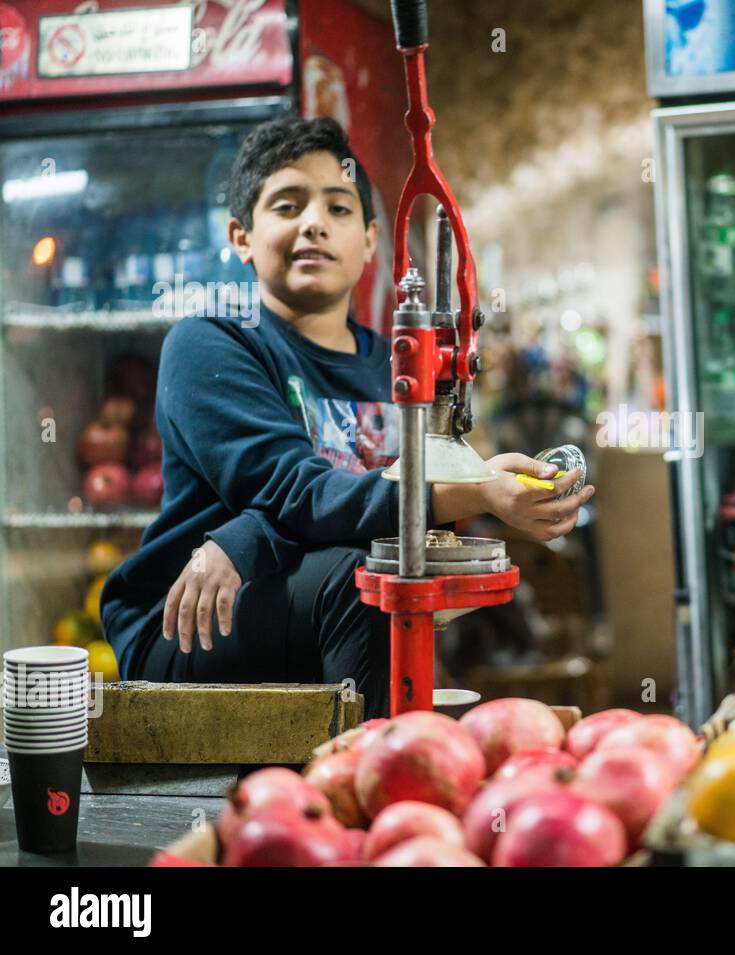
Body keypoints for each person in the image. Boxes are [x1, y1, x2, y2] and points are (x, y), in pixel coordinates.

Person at [100, 116, 595, 718]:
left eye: (337, 208)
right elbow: (298, 491)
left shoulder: (395, 366)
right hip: (191, 627)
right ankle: (377, 785)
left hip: (311, 606)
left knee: (380, 577)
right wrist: (474, 491)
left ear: (367, 241)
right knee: (359, 576)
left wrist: (250, 534)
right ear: (241, 237)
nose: (313, 222)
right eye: (287, 205)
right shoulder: (209, 347)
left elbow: (350, 510)